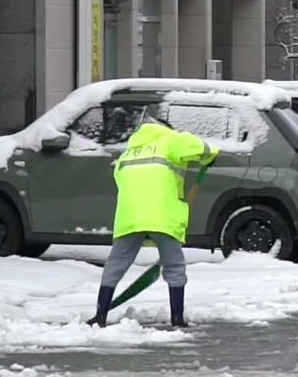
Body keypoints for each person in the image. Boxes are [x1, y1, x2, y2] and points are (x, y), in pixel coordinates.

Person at [86, 105, 217, 329]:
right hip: (161, 215)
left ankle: (100, 315)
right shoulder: (170, 139)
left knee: (115, 265)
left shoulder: (130, 151)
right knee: (174, 265)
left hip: (129, 216)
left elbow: (120, 179)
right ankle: (177, 318)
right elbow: (201, 148)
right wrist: (210, 156)